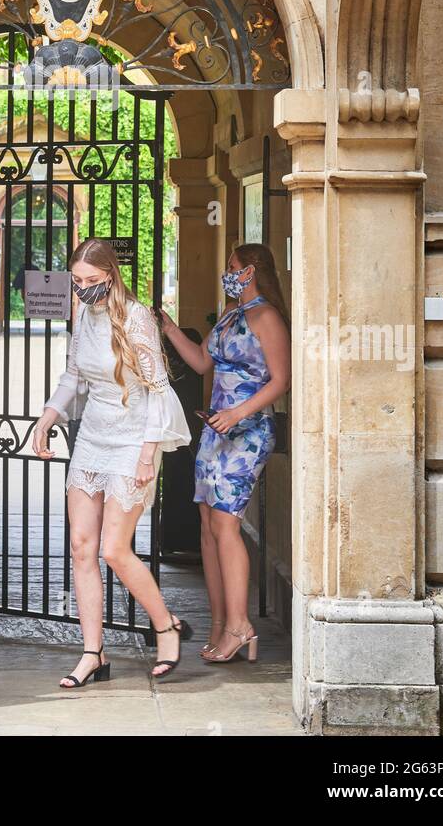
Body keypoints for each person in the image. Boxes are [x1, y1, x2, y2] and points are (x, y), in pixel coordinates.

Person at [32, 237, 193, 688]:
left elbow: (158, 388)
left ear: (110, 276)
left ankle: (165, 626)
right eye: (77, 281)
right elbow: (74, 376)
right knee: (81, 549)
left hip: (133, 441)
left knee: (113, 550)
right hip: (93, 439)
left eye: (92, 281)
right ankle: (93, 653)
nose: (83, 289)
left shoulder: (136, 317)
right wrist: (47, 417)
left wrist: (148, 454)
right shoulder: (83, 315)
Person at [158, 242, 290, 665]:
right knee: (207, 526)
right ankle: (219, 626)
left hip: (248, 430)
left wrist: (237, 413)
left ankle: (240, 626)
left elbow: (281, 381)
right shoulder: (232, 314)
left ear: (251, 271)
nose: (228, 273)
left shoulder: (267, 316)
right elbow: (200, 362)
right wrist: (170, 328)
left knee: (225, 524)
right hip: (216, 429)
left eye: (232, 267)